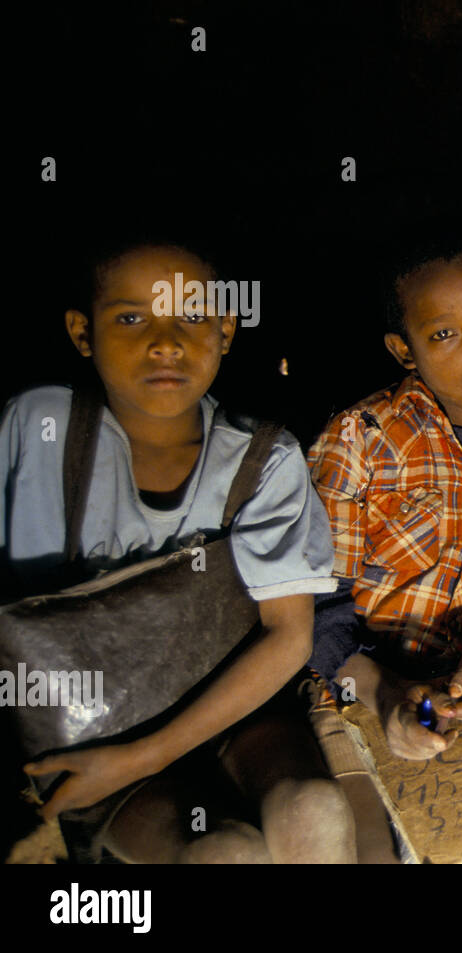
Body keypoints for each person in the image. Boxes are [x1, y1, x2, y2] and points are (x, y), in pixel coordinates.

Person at [3, 240, 352, 863]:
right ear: (83, 333)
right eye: (132, 318)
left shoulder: (263, 459)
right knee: (222, 853)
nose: (165, 342)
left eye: (190, 316)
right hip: (93, 730)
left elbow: (289, 637)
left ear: (225, 329)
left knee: (315, 811)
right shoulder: (39, 430)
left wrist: (149, 752)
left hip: (235, 712)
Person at [308, 242, 462, 861]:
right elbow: (317, 611)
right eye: (444, 334)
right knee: (373, 849)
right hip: (355, 690)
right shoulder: (362, 438)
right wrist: (382, 692)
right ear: (403, 349)